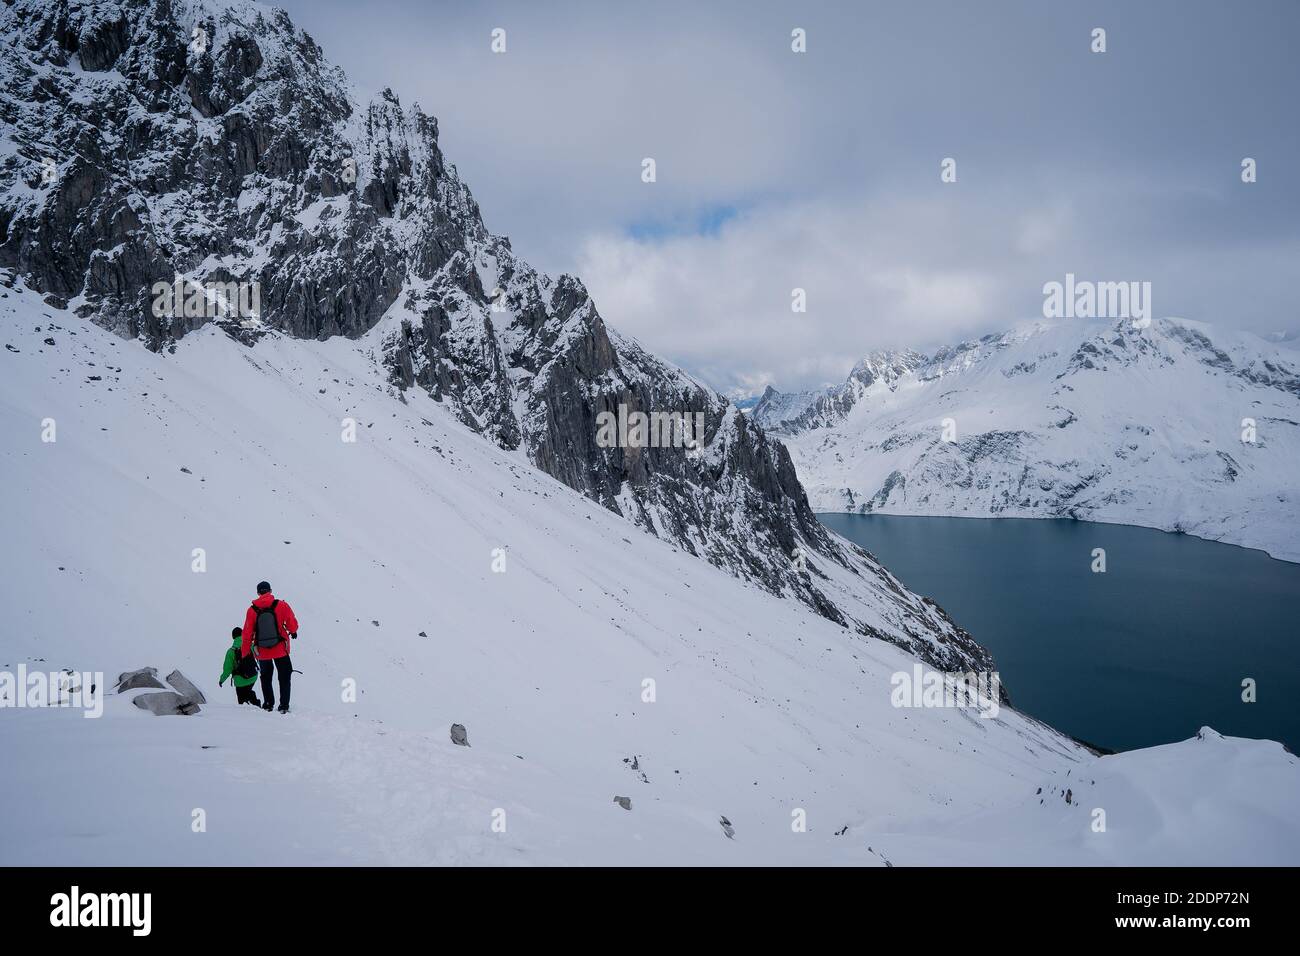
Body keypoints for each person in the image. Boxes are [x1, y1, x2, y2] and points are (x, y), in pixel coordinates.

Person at [240, 581, 299, 714]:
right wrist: (293, 631)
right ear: (270, 591)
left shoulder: (252, 610)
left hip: (262, 651)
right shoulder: (281, 605)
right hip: (280, 649)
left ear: (258, 593)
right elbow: (292, 623)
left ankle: (268, 704)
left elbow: (247, 634)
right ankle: (284, 705)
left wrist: (245, 654)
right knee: (284, 677)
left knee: (266, 677)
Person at [219, 627, 262, 707]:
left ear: (233, 637)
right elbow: (259, 654)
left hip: (240, 681)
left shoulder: (231, 652)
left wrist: (222, 680)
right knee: (247, 692)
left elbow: (227, 669)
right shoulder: (250, 645)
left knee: (242, 701)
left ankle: (254, 705)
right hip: (252, 676)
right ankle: (254, 701)